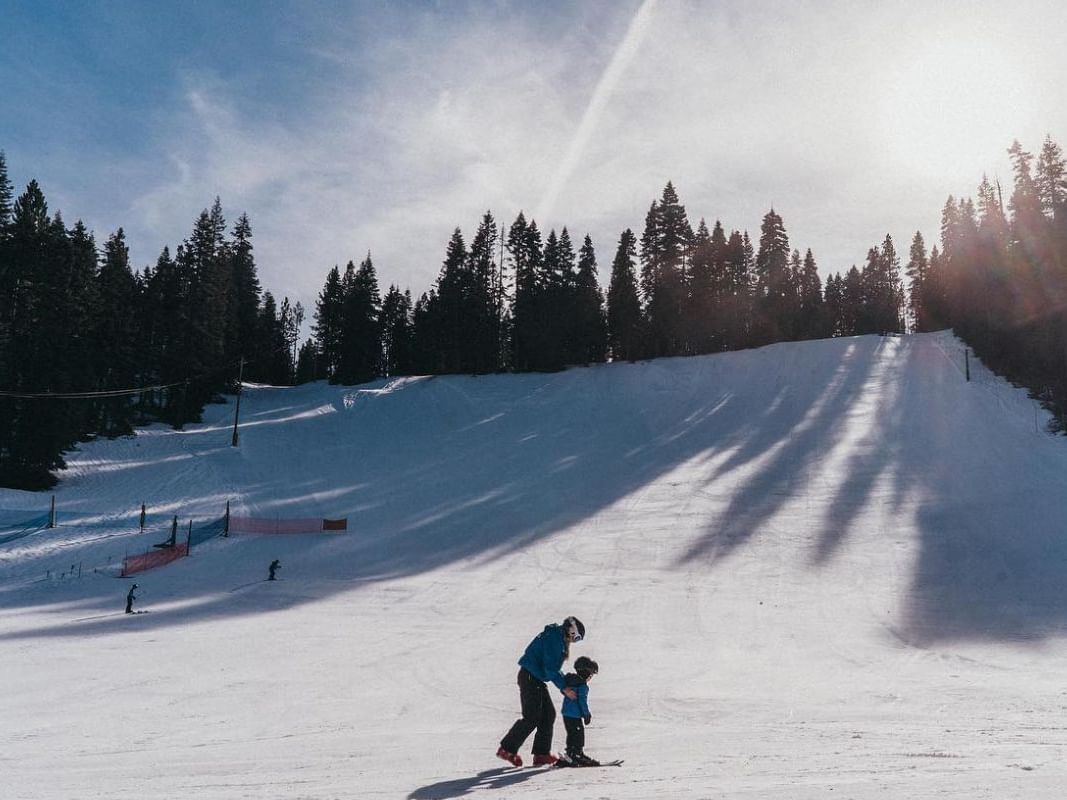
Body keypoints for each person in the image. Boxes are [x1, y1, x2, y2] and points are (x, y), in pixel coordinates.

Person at [496, 615, 585, 767]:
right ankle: (506, 749)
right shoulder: (555, 639)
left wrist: (565, 682)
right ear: (570, 629)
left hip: (534, 678)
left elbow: (552, 669)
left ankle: (541, 754)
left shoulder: (557, 637)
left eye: (577, 640)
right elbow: (550, 669)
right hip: (530, 677)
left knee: (548, 714)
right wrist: (564, 688)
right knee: (532, 716)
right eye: (575, 637)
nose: (573, 641)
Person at [561, 656, 600, 766]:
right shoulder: (581, 686)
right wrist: (586, 715)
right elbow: (582, 702)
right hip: (575, 715)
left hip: (566, 714)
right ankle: (577, 753)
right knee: (578, 734)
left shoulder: (570, 682)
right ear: (585, 671)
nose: (590, 676)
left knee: (572, 733)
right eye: (590, 673)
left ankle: (571, 753)